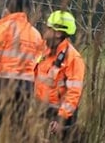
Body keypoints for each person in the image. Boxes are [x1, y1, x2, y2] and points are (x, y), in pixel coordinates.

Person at [0, 0, 46, 133]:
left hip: (1, 84)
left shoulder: (4, 28)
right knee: (17, 127)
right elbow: (37, 61)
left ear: (8, 9)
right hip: (26, 86)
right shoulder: (36, 34)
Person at [34, 10, 85, 140]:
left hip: (61, 119)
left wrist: (61, 118)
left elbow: (73, 93)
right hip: (40, 112)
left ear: (58, 33)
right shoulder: (43, 50)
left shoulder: (73, 58)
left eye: (49, 28)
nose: (45, 31)